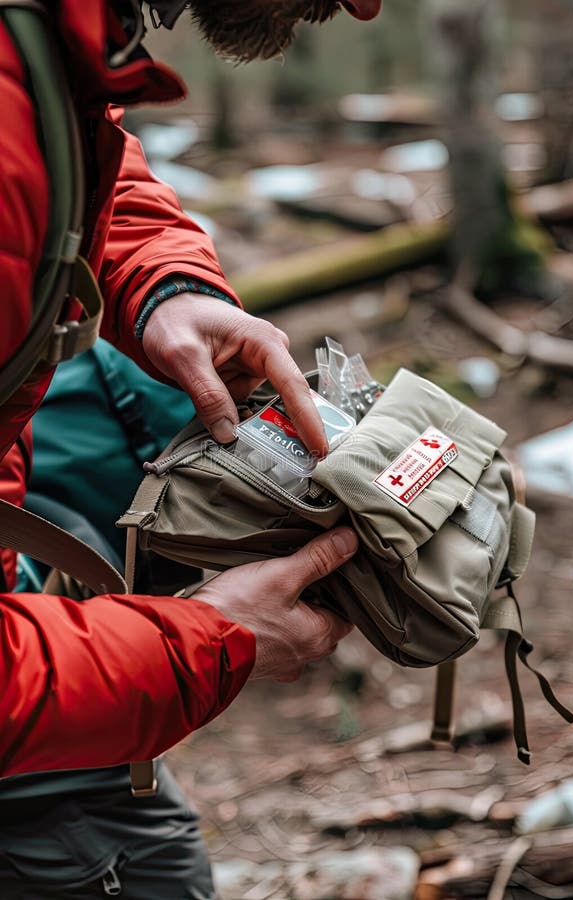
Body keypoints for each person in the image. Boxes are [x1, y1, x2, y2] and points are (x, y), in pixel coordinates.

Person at [0, 0, 381, 896]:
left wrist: (157, 281)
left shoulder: (41, 39)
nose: (366, 5)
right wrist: (207, 641)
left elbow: (67, 140)